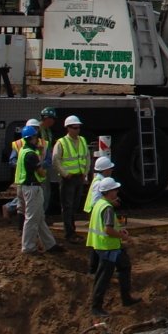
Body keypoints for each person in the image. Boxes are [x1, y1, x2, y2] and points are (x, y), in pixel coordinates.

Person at [87, 177, 138, 315]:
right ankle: (96, 307)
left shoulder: (99, 204)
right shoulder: (107, 208)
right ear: (109, 192)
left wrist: (119, 230)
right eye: (115, 189)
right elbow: (108, 230)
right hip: (108, 247)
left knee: (125, 265)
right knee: (104, 276)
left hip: (106, 246)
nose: (116, 192)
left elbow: (107, 225)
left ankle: (126, 298)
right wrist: (123, 236)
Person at [15, 127, 59, 255]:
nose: (37, 140)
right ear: (31, 138)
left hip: (27, 187)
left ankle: (50, 244)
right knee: (33, 219)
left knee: (39, 218)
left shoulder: (23, 151)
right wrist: (44, 167)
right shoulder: (30, 154)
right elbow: (41, 171)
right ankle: (28, 247)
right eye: (35, 137)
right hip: (33, 188)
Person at [51, 115, 91, 243]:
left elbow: (87, 157)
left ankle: (71, 230)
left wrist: (85, 172)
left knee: (74, 205)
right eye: (74, 127)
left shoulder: (82, 140)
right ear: (68, 128)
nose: (77, 130)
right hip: (68, 179)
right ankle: (69, 233)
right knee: (67, 206)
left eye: (78, 127)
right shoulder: (62, 142)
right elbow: (55, 159)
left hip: (79, 177)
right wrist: (64, 173)